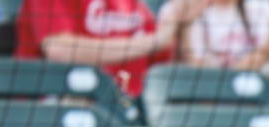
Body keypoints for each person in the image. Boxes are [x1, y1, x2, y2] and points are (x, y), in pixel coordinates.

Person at [15, 0, 204, 96]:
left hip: (132, 111)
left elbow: (168, 70)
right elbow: (59, 49)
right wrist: (154, 41)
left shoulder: (134, 5)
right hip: (63, 104)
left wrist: (182, 22)